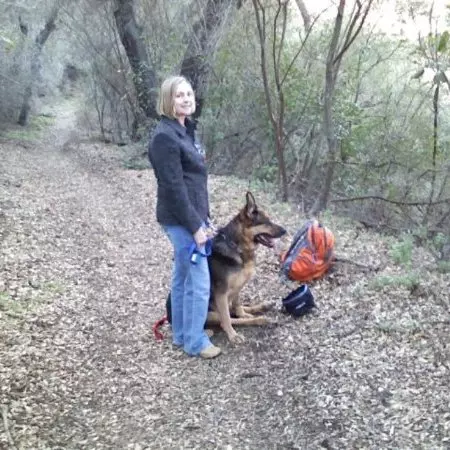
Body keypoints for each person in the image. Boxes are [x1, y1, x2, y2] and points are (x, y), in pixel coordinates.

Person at [148, 75, 221, 359]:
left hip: (192, 216)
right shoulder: (164, 137)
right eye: (180, 95)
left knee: (182, 277)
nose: (187, 99)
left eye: (189, 94)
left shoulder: (185, 130)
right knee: (199, 281)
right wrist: (195, 227)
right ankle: (195, 342)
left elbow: (194, 182)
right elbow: (174, 187)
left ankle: (181, 334)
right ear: (168, 100)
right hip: (179, 219)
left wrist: (206, 219)